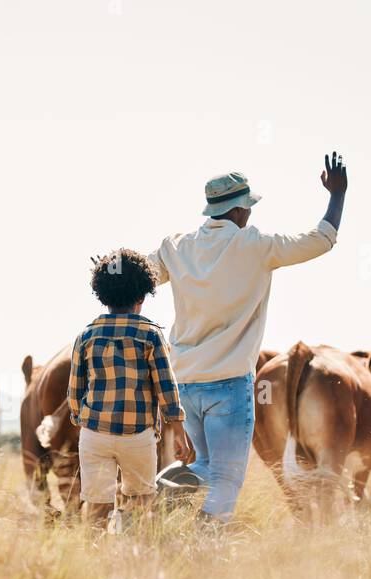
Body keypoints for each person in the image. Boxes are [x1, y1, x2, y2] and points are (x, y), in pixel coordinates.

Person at [145, 153, 348, 524]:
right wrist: (338, 195)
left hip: (184, 382)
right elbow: (322, 239)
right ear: (240, 210)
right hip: (228, 385)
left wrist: (109, 264)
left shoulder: (176, 247)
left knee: (204, 465)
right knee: (227, 477)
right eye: (248, 209)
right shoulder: (256, 246)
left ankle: (162, 488)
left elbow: (139, 273)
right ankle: (205, 540)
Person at [68, 249, 187, 531]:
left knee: (97, 506)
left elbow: (74, 392)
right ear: (141, 297)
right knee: (142, 502)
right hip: (138, 436)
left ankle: (95, 559)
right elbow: (166, 388)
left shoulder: (86, 335)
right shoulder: (150, 335)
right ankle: (138, 559)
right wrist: (178, 428)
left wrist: (81, 421)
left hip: (95, 433)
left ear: (102, 295)